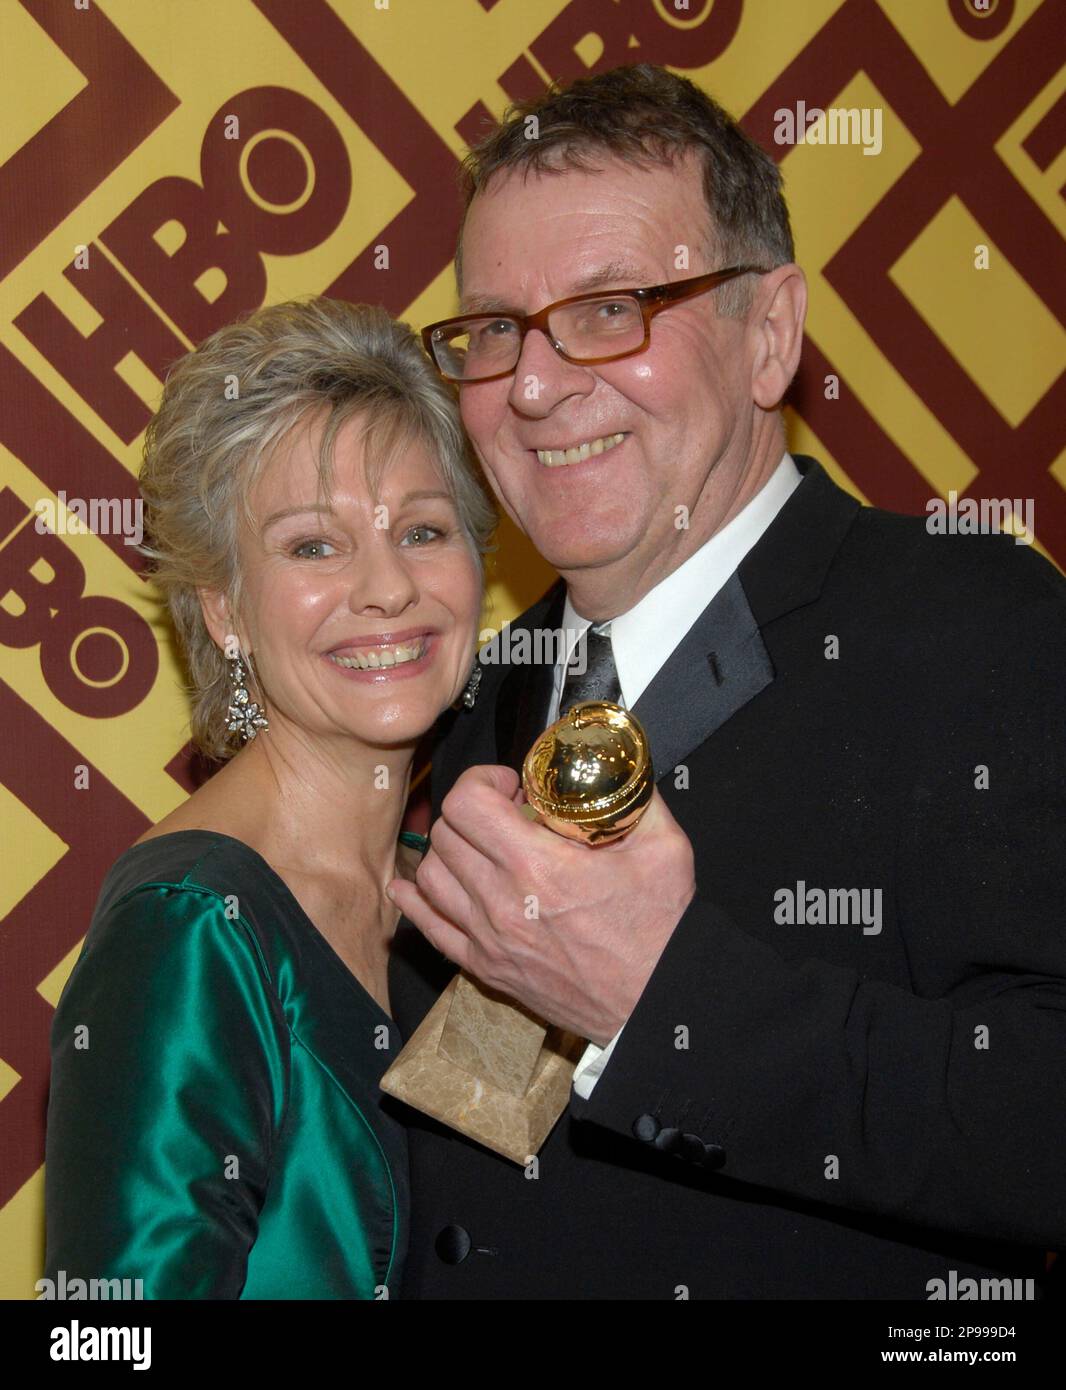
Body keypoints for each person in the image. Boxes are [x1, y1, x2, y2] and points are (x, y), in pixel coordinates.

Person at [386, 64, 1066, 1299]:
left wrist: (665, 1005)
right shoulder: (486, 689)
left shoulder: (980, 628)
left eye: (611, 308)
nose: (531, 387)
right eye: (493, 330)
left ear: (769, 336)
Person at [44, 298, 494, 1299]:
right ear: (224, 611)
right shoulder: (193, 926)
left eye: (422, 528)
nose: (387, 588)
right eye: (312, 546)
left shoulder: (454, 894)